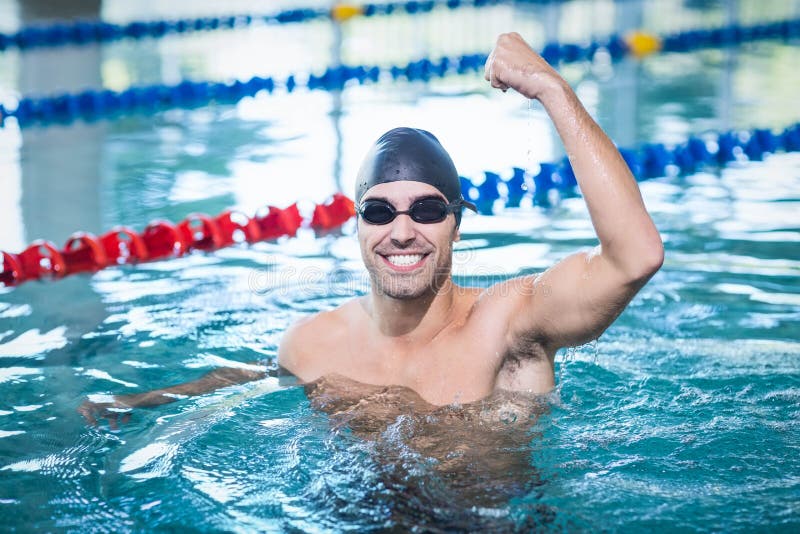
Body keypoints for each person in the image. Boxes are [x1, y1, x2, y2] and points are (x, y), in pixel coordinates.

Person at [79, 32, 663, 426]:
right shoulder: (310, 343)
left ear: (457, 224)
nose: (402, 231)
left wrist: (552, 91)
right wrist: (142, 402)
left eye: (428, 210)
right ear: (357, 229)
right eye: (379, 212)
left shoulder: (508, 327)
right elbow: (254, 377)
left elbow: (634, 256)